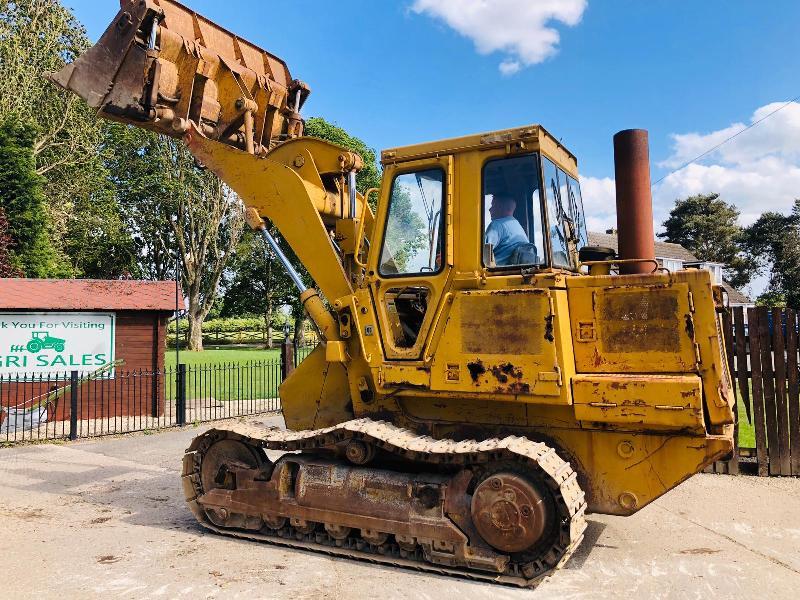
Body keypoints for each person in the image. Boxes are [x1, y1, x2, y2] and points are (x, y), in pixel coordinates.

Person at [485, 194, 529, 266]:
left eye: (493, 205)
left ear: (501, 207)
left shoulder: (497, 224)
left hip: (497, 274)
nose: (490, 209)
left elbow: (483, 252)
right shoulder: (518, 227)